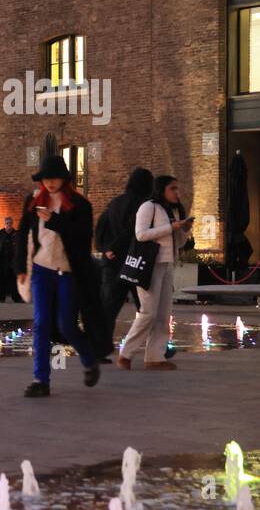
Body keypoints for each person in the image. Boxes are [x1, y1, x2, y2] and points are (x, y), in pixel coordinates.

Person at [13, 154, 107, 397]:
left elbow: (82, 237)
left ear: (64, 179)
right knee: (41, 323)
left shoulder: (80, 204)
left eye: (54, 178)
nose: (50, 183)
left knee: (66, 324)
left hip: (68, 272)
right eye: (46, 179)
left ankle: (88, 360)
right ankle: (40, 379)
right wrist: (20, 269)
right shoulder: (33, 202)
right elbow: (23, 235)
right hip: (42, 269)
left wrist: (55, 221)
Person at [117, 175, 192, 371]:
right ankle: (126, 353)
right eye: (172, 188)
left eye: (177, 188)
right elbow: (140, 235)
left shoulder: (174, 210)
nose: (177, 192)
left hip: (168, 264)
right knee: (148, 312)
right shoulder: (149, 207)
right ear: (161, 190)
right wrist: (170, 227)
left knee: (163, 313)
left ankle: (155, 356)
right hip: (149, 265)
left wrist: (183, 230)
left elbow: (180, 243)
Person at [95, 167, 154, 350]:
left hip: (112, 264)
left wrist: (105, 249)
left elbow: (100, 229)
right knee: (146, 309)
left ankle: (101, 346)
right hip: (135, 264)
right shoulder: (145, 205)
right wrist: (114, 247)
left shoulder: (114, 203)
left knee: (108, 308)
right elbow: (133, 232)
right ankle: (156, 347)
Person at [0, 216, 21, 302]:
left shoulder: (16, 234)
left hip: (13, 262)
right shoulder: (0, 234)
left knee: (14, 281)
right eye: (7, 223)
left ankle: (16, 298)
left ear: (12, 224)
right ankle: (1, 298)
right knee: (1, 280)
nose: (9, 225)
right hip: (1, 261)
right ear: (5, 224)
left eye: (10, 223)